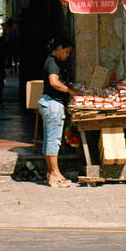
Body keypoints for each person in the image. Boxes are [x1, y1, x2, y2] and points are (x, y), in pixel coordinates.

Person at [39, 35, 80, 187]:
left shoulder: (52, 61)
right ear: (59, 48)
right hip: (52, 103)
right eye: (67, 52)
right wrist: (71, 91)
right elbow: (54, 82)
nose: (68, 55)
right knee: (53, 141)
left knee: (49, 140)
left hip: (48, 103)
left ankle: (51, 173)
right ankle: (56, 174)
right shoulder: (53, 63)